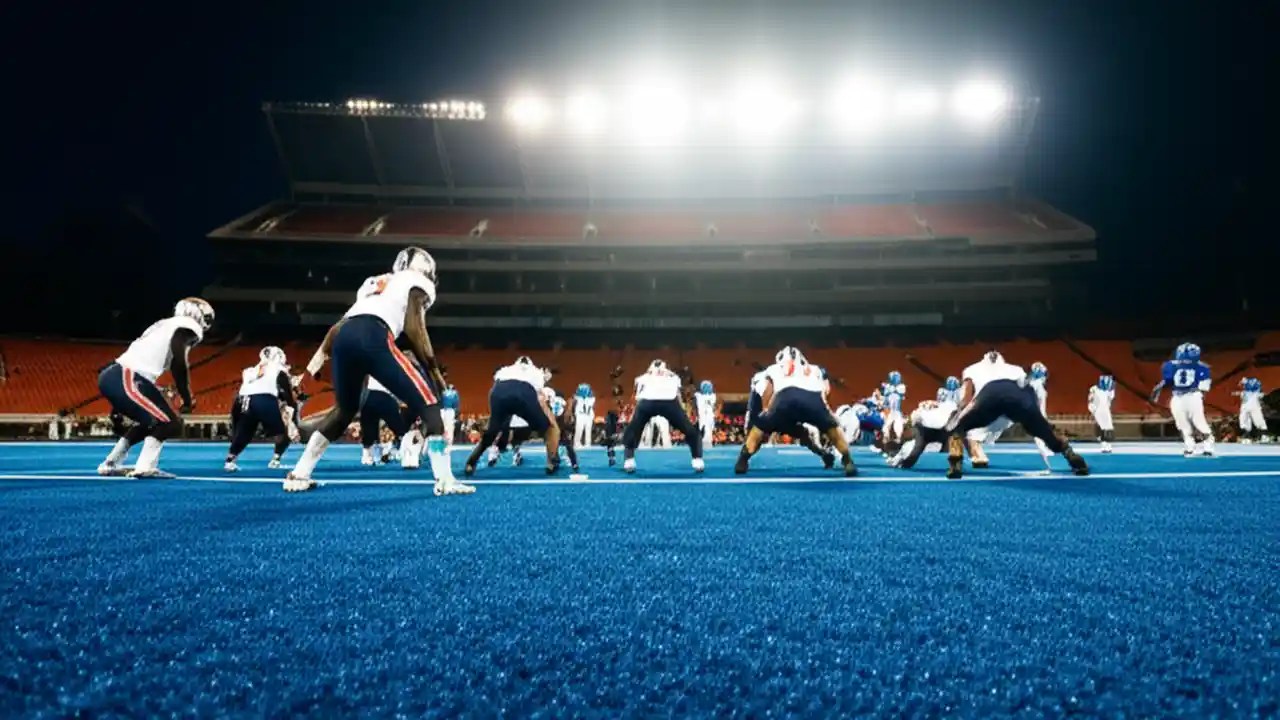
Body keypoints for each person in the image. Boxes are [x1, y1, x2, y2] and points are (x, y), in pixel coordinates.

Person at [288, 247, 470, 495]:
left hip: (344, 336)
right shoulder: (415, 281)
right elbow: (415, 328)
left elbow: (338, 327)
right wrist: (435, 372)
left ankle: (299, 473)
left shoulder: (374, 283)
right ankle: (445, 480)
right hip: (373, 335)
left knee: (345, 410)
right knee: (429, 404)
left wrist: (316, 362)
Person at [96, 298, 213, 478]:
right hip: (128, 375)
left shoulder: (164, 324)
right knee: (169, 424)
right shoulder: (187, 325)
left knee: (150, 422)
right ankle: (145, 466)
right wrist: (187, 396)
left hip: (122, 375)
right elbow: (178, 361)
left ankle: (111, 463)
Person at [944, 350, 1089, 479]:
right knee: (1046, 434)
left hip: (989, 395)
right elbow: (1027, 391)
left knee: (958, 429)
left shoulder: (971, 370)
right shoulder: (1016, 370)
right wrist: (1041, 424)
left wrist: (956, 418)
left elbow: (965, 400)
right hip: (1019, 397)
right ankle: (1071, 455)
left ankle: (955, 463)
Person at [734, 347, 856, 477]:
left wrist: (766, 413)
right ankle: (847, 460)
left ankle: (743, 459)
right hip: (813, 399)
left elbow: (767, 392)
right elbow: (826, 390)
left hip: (784, 400)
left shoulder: (773, 369)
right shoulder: (815, 369)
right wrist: (824, 414)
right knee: (831, 428)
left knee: (759, 429)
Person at [464, 357, 562, 476]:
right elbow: (540, 400)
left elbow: (497, 383)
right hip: (523, 393)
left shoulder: (506, 370)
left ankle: (471, 462)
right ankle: (552, 461)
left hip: (498, 392)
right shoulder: (536, 373)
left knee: (492, 432)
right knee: (549, 428)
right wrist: (549, 422)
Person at [621, 360, 703, 474]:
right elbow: (678, 393)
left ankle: (629, 459)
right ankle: (697, 458)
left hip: (648, 403)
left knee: (633, 429)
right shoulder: (673, 377)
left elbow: (637, 395)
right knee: (689, 429)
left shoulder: (642, 378)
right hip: (668, 402)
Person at [225, 346, 297, 472]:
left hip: (242, 400)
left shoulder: (249, 371)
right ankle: (275, 460)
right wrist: (291, 407)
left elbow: (257, 386)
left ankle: (230, 460)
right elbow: (286, 394)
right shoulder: (278, 370)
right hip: (264, 399)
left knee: (244, 432)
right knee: (284, 432)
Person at [1150, 343, 1215, 456]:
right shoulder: (1199, 367)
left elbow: (1203, 387)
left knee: (1199, 421)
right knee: (1182, 423)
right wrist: (1158, 390)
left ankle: (1208, 444)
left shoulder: (1201, 367)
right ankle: (1189, 445)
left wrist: (1199, 398)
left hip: (1193, 395)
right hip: (1178, 396)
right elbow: (1168, 381)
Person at [1088, 374, 1116, 453]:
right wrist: (1092, 409)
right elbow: (1091, 400)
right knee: (1103, 428)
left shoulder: (1109, 391)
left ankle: (1107, 444)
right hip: (1098, 410)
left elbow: (1111, 397)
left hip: (1105, 410)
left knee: (1108, 428)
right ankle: (1104, 444)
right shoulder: (1094, 389)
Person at [1236, 377, 1267, 444]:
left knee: (1254, 420)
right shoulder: (1249, 391)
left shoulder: (1251, 389)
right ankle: (1248, 436)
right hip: (1249, 406)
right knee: (1246, 419)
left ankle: (1262, 436)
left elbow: (1259, 392)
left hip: (1250, 406)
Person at [694, 380, 717, 448]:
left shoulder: (712, 396)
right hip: (703, 415)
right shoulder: (698, 396)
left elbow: (712, 404)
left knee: (709, 428)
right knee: (704, 428)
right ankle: (704, 442)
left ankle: (708, 442)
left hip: (709, 415)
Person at [572, 383, 595, 449]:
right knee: (579, 429)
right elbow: (576, 398)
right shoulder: (577, 397)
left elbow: (590, 404)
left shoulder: (592, 398)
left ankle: (588, 443)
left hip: (588, 415)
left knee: (588, 429)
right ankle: (577, 443)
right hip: (580, 414)